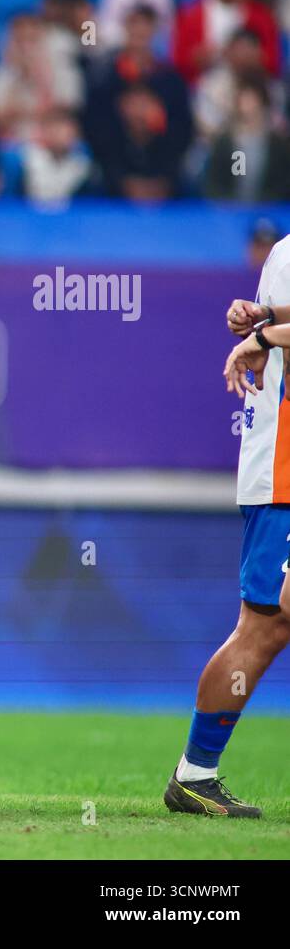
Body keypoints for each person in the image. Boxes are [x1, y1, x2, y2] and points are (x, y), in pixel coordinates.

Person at [176, 232, 290, 817]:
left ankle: (194, 775)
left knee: (266, 626)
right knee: (262, 624)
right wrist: (264, 331)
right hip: (284, 468)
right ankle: (195, 775)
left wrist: (261, 319)